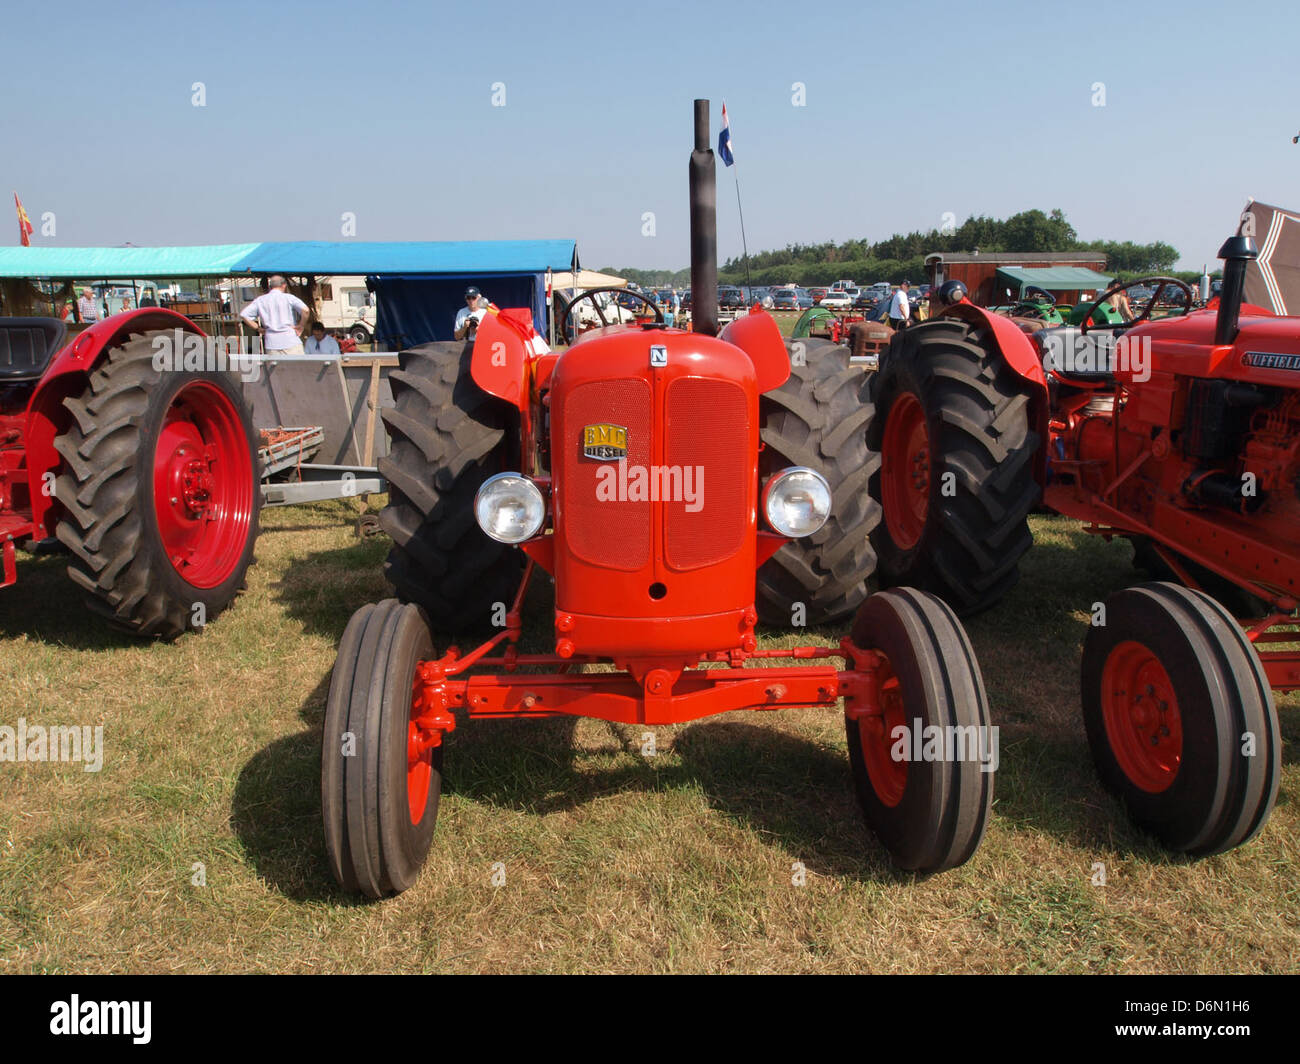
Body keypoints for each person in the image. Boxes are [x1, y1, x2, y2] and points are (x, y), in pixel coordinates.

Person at [240, 275, 309, 355]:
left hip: (271, 342)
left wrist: (258, 328)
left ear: (270, 286)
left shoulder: (260, 300)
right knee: (298, 367)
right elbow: (306, 310)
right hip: (290, 340)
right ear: (284, 285)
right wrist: (301, 325)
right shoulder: (289, 298)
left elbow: (244, 315)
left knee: (276, 367)